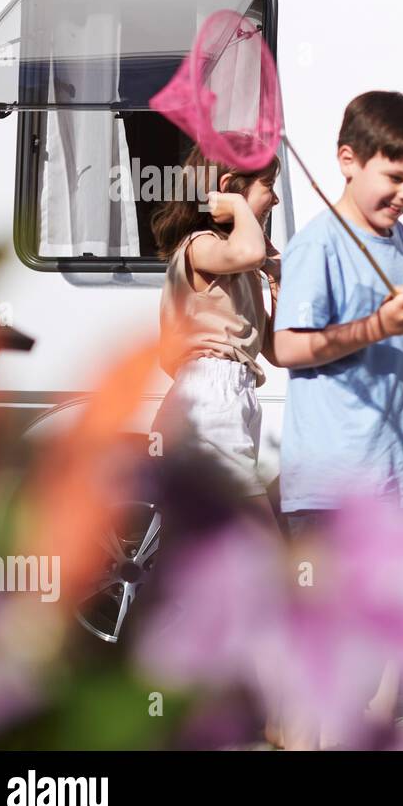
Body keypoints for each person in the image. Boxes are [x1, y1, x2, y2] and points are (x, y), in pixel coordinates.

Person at [270, 90, 403, 747]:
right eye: (395, 177)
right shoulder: (319, 245)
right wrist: (375, 325)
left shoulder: (398, 238)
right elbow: (287, 347)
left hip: (397, 474)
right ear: (348, 160)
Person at [150, 146, 282, 528]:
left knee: (188, 552)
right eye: (268, 186)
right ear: (226, 188)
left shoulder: (240, 265)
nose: (273, 197)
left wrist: (275, 280)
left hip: (230, 400)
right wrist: (237, 205)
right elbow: (250, 249)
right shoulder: (200, 245)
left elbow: (276, 350)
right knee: (260, 545)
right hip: (209, 402)